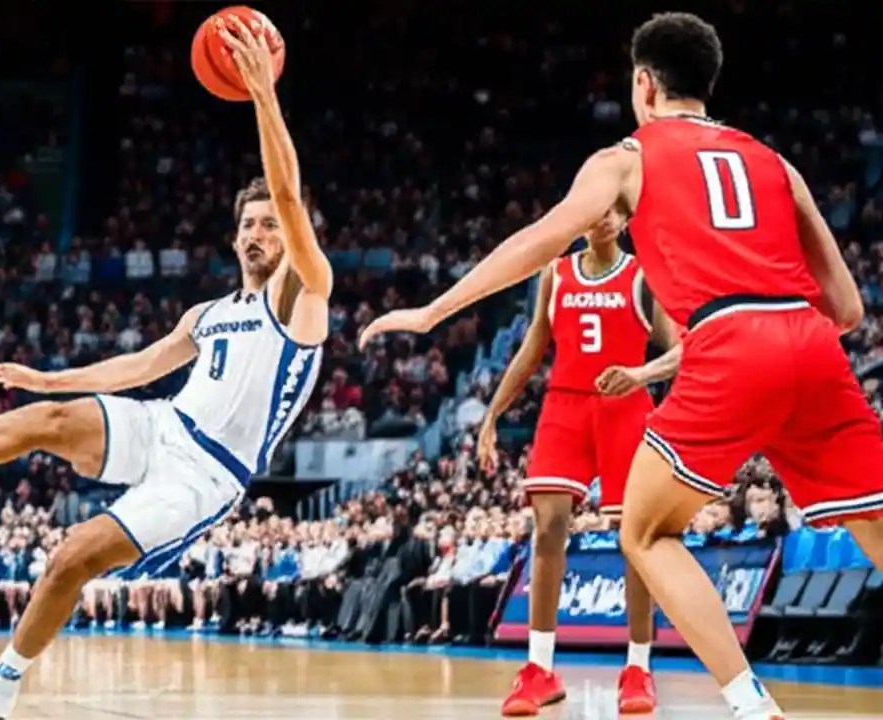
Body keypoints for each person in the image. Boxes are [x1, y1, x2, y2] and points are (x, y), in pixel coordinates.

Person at [360, 12, 883, 720]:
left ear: (643, 84)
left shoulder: (625, 159)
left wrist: (431, 313)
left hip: (726, 339)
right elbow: (848, 308)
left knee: (643, 531)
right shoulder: (773, 161)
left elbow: (541, 240)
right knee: (875, 521)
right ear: (706, 83)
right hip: (811, 342)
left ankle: (752, 704)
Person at [0, 16, 331, 720]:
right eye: (248, 224)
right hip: (166, 425)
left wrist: (262, 97)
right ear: (232, 237)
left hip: (209, 473)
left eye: (271, 224)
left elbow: (289, 195)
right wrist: (51, 381)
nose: (260, 231)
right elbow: (140, 365)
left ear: (295, 236)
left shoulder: (304, 293)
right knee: (49, 420)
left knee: (73, 555)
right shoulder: (210, 312)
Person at [477, 209, 681, 716]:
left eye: (614, 210)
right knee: (547, 529)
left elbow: (680, 350)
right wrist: (492, 414)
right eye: (596, 210)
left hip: (625, 409)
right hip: (565, 406)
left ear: (627, 217)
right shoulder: (556, 273)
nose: (604, 218)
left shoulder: (642, 275)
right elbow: (531, 348)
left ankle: (638, 667)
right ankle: (539, 668)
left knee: (633, 541)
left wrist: (640, 374)